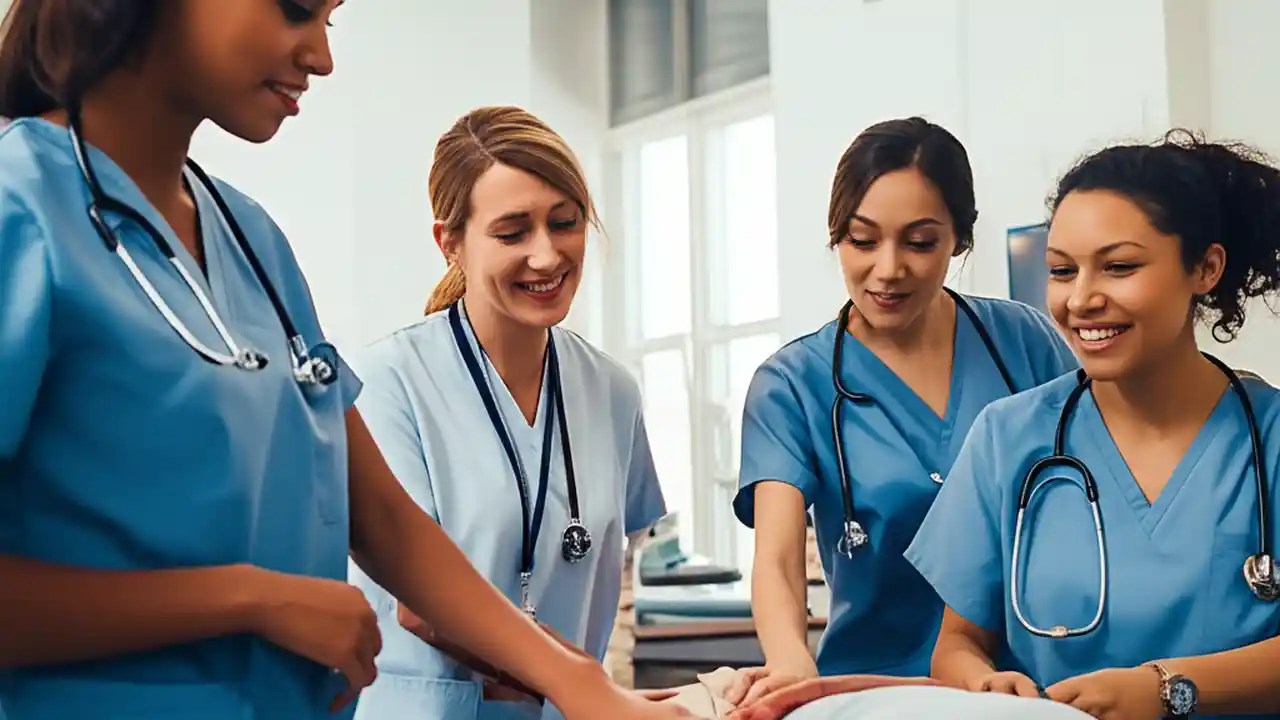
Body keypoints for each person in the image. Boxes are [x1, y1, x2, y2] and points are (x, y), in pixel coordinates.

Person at [0, 3, 690, 719]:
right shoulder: (20, 206)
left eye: (329, 20)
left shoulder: (251, 240)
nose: (321, 58)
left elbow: (383, 521)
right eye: (297, 9)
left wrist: (587, 689)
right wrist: (251, 600)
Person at [905, 130, 1280, 719]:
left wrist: (1167, 690)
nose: (1080, 300)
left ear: (1205, 268)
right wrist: (985, 685)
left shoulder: (1272, 441)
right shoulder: (1009, 438)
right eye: (1061, 271)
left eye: (1119, 267)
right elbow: (958, 645)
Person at [731, 117, 1078, 703]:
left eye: (919, 243)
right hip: (873, 692)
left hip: (1025, 690)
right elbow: (779, 560)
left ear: (959, 240)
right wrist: (791, 663)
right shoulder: (793, 384)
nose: (888, 269)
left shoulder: (1023, 341)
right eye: (861, 240)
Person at [346, 105, 668, 719]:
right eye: (512, 232)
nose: (546, 256)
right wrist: (576, 685)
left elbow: (611, 570)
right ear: (451, 243)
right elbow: (418, 599)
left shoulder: (612, 391)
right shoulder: (389, 383)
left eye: (565, 223)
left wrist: (610, 693)